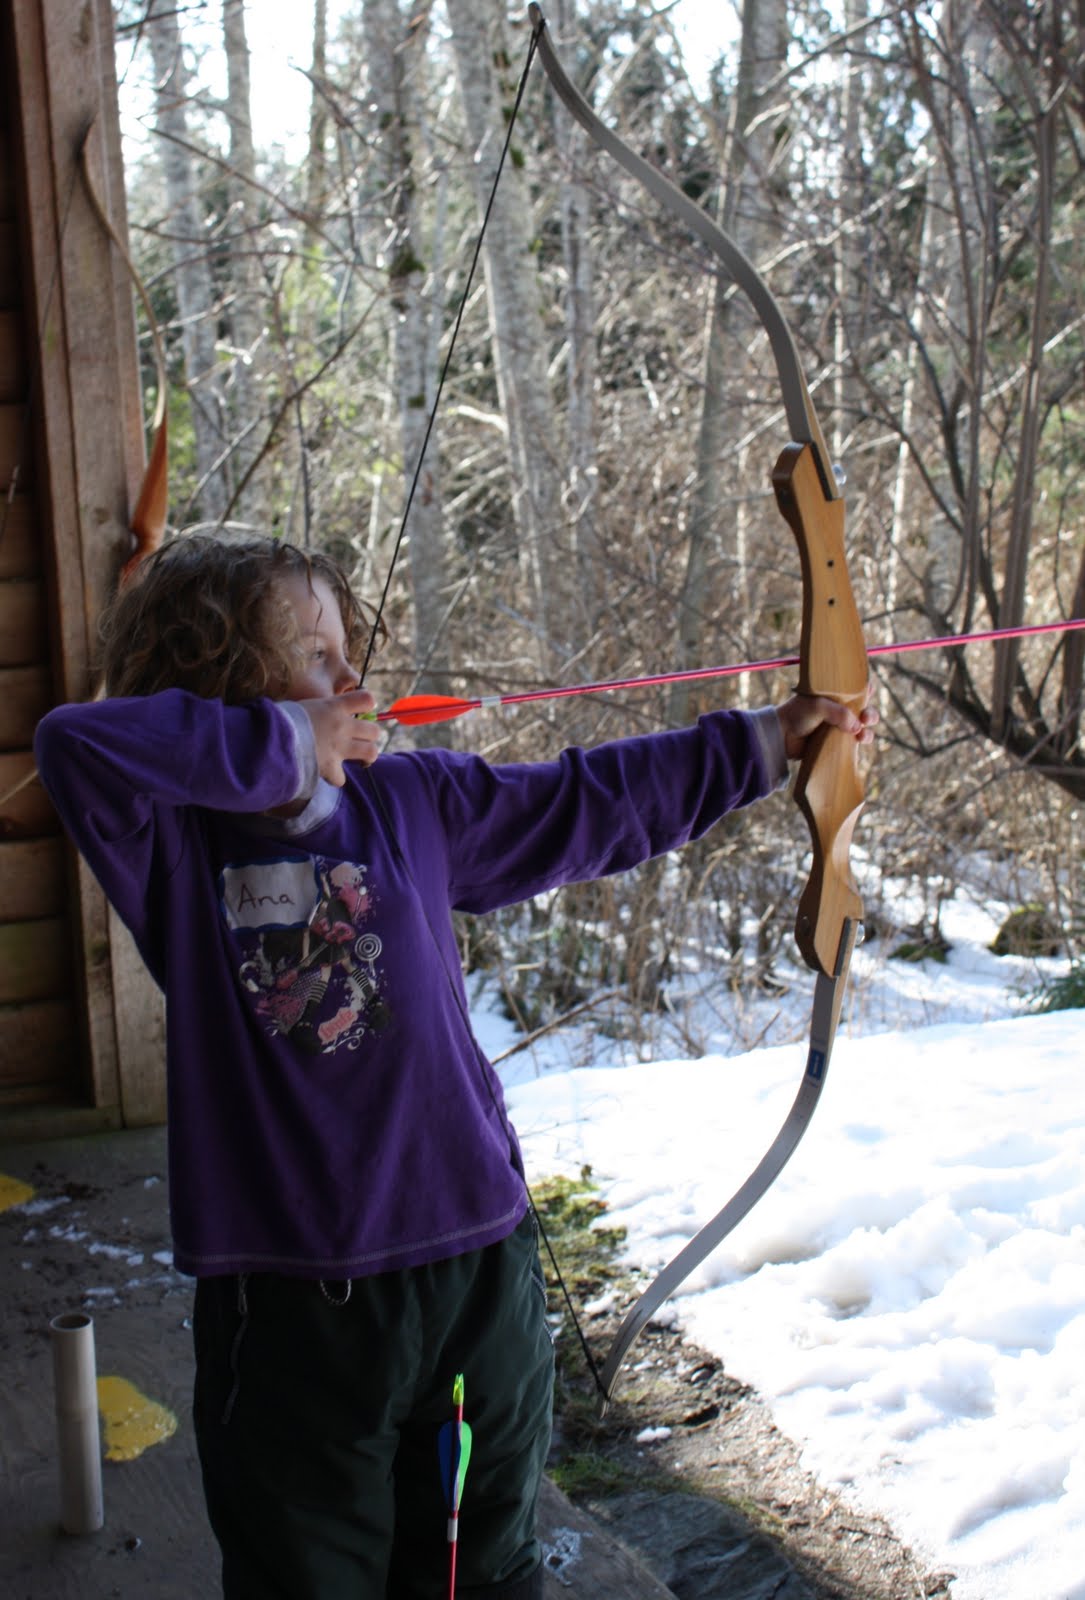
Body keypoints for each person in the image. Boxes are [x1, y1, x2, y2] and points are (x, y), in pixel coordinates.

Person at [34, 533, 876, 1600]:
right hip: (294, 1303)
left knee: (480, 1568)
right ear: (225, 693)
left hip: (477, 1274)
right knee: (305, 1573)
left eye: (347, 653)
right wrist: (286, 747)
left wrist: (764, 744)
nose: (350, 682)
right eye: (309, 659)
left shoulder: (409, 802)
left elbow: (581, 803)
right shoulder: (172, 843)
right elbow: (74, 742)